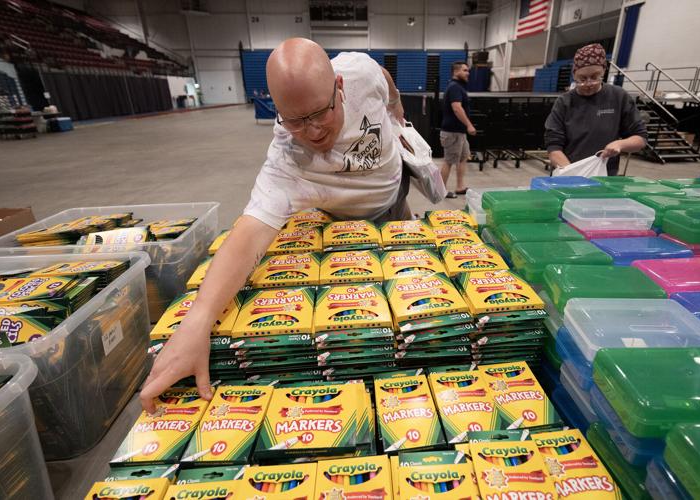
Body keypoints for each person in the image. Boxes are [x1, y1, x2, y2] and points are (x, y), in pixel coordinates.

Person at [139, 38, 408, 413]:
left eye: (319, 113)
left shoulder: (359, 71)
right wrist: (197, 322)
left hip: (393, 199)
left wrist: (395, 109)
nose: (312, 131)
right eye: (294, 120)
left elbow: (384, 78)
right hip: (340, 223)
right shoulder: (285, 160)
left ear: (340, 87)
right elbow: (250, 232)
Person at [544, 43, 647, 176]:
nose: (588, 84)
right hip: (568, 174)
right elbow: (553, 147)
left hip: (604, 177)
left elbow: (640, 138)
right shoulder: (564, 102)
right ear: (574, 74)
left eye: (594, 77)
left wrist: (621, 144)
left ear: (604, 70)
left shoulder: (618, 97)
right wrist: (573, 175)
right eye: (582, 79)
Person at [440, 61, 476, 198]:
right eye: (465, 70)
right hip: (452, 132)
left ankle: (460, 187)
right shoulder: (454, 87)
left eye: (468, 71)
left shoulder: (458, 87)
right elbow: (457, 108)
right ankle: (441, 191)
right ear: (456, 72)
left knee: (463, 158)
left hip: (459, 132)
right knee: (449, 161)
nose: (468, 73)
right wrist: (469, 125)